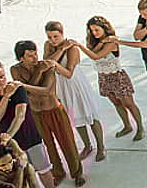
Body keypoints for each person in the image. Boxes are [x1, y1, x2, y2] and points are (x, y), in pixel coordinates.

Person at [9, 40, 85, 187]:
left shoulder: (47, 66)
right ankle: (58, 172)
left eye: (35, 53)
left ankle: (77, 173)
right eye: (30, 55)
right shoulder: (15, 70)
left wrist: (25, 85)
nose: (35, 57)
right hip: (36, 113)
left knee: (67, 142)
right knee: (48, 145)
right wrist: (37, 74)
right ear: (21, 58)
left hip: (54, 110)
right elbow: (25, 93)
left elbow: (47, 91)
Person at [72, 17, 145, 136]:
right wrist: (101, 42)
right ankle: (127, 126)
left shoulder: (112, 42)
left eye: (97, 30)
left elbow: (96, 56)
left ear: (104, 28)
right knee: (116, 103)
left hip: (117, 76)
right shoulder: (95, 41)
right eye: (92, 30)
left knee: (129, 104)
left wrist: (79, 46)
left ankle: (140, 128)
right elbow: (93, 52)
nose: (94, 33)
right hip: (103, 77)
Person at [43, 21, 105, 162]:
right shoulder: (48, 45)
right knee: (76, 116)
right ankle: (87, 145)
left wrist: (54, 65)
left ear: (62, 34)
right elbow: (46, 64)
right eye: (49, 37)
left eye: (56, 36)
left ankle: (101, 147)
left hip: (75, 85)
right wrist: (59, 50)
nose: (52, 40)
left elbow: (69, 73)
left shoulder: (72, 48)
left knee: (90, 115)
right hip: (61, 86)